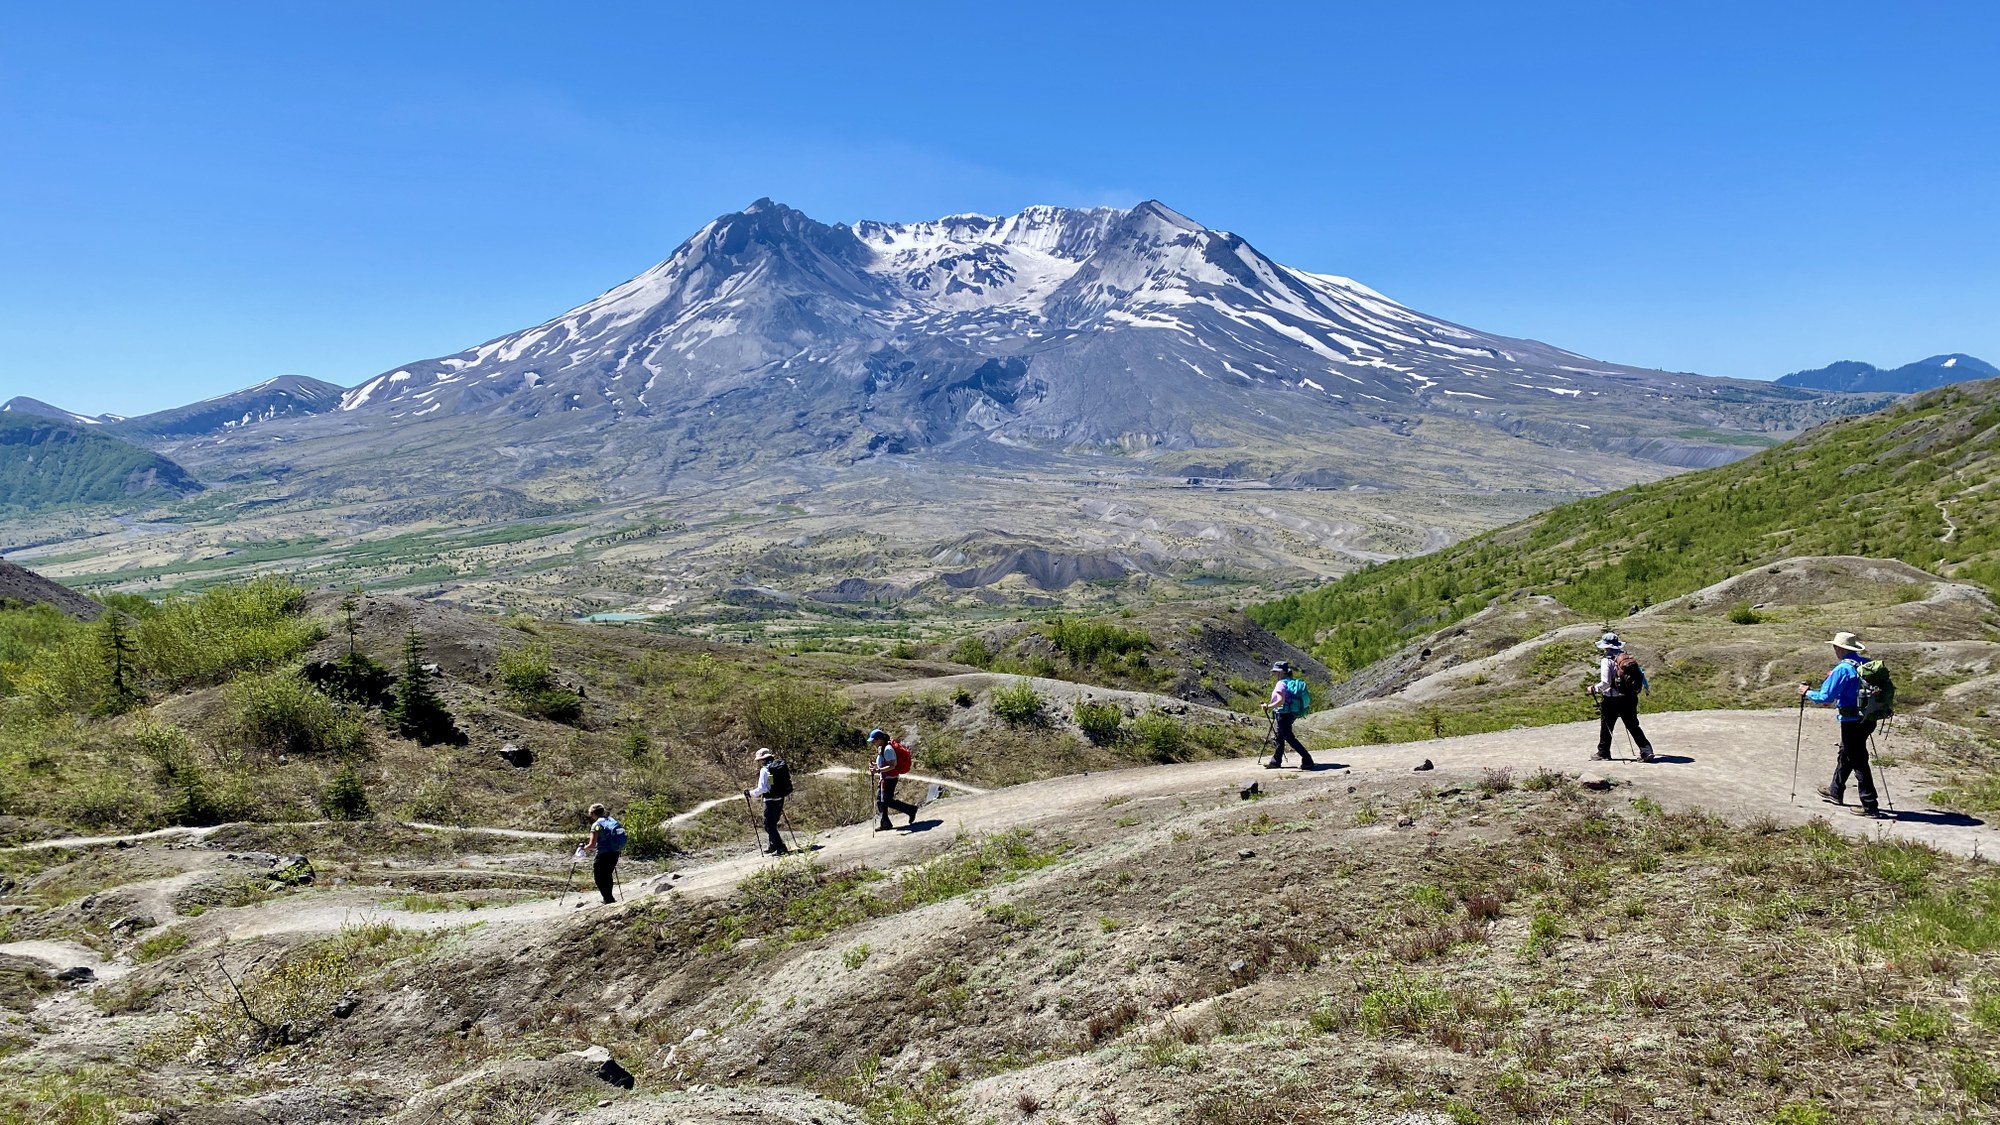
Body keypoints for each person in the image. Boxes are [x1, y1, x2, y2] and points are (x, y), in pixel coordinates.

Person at [1800, 631, 1884, 818]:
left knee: (1858, 759)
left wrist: (1807, 692)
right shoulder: (1865, 663)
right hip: (1868, 718)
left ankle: (1870, 805)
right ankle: (1835, 791)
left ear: (1839, 648)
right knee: (1847, 753)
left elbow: (1825, 698)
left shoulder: (1842, 669)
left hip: (1851, 720)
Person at [1589, 632, 1655, 763]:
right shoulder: (1627, 658)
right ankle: (1646, 751)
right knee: (1632, 725)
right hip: (1629, 697)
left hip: (1611, 699)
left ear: (1605, 647)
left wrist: (1593, 688)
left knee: (1607, 725)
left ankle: (1603, 752)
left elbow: (1606, 683)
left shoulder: (1606, 661)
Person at [1261, 661, 1316, 770]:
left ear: (1281, 673)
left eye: (1275, 672)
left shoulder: (1281, 683)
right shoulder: (1290, 681)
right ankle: (1275, 761)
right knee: (1280, 736)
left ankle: (1307, 760)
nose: (1274, 674)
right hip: (1291, 713)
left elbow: (1281, 701)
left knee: (1289, 737)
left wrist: (1268, 706)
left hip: (1283, 714)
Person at [867, 729, 920, 831]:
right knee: (880, 800)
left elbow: (892, 766)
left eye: (874, 741)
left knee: (887, 801)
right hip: (885, 778)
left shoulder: (888, 749)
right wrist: (875, 766)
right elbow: (884, 763)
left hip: (890, 779)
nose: (873, 743)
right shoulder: (881, 748)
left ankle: (911, 810)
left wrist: (877, 770)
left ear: (880, 739)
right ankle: (885, 823)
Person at [744, 747, 791, 855]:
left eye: (759, 760)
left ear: (763, 760)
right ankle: (773, 845)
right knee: (772, 823)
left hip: (770, 800)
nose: (759, 762)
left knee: (768, 825)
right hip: (780, 798)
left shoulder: (765, 770)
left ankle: (781, 847)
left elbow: (763, 789)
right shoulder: (777, 767)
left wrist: (750, 794)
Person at [582, 803, 625, 904]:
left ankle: (608, 899)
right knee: (608, 875)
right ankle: (608, 898)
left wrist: (583, 848)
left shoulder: (596, 825)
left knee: (599, 877)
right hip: (615, 852)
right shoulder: (611, 820)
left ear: (592, 813)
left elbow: (592, 844)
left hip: (603, 854)